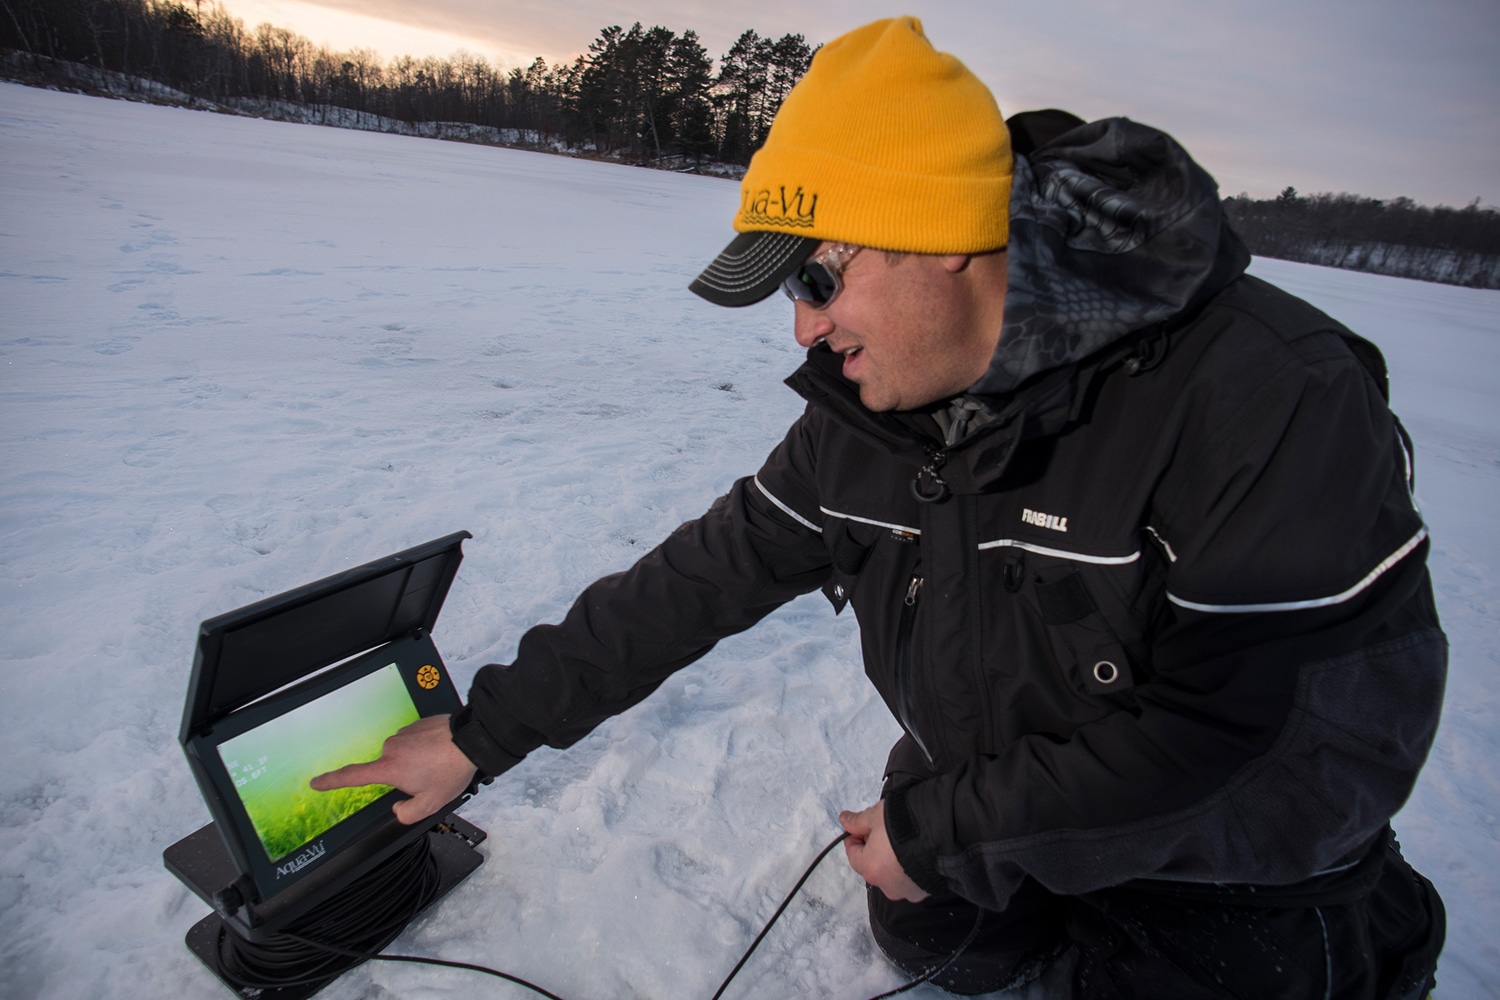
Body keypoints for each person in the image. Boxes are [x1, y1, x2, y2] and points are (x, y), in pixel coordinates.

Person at [313, 17, 1448, 998]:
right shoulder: (872, 415)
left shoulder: (1267, 392)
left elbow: (1228, 733)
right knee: (932, 935)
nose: (802, 329)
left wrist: (939, 827)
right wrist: (479, 737)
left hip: (1236, 840)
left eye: (814, 278)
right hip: (1017, 777)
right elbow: (704, 574)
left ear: (944, 241)